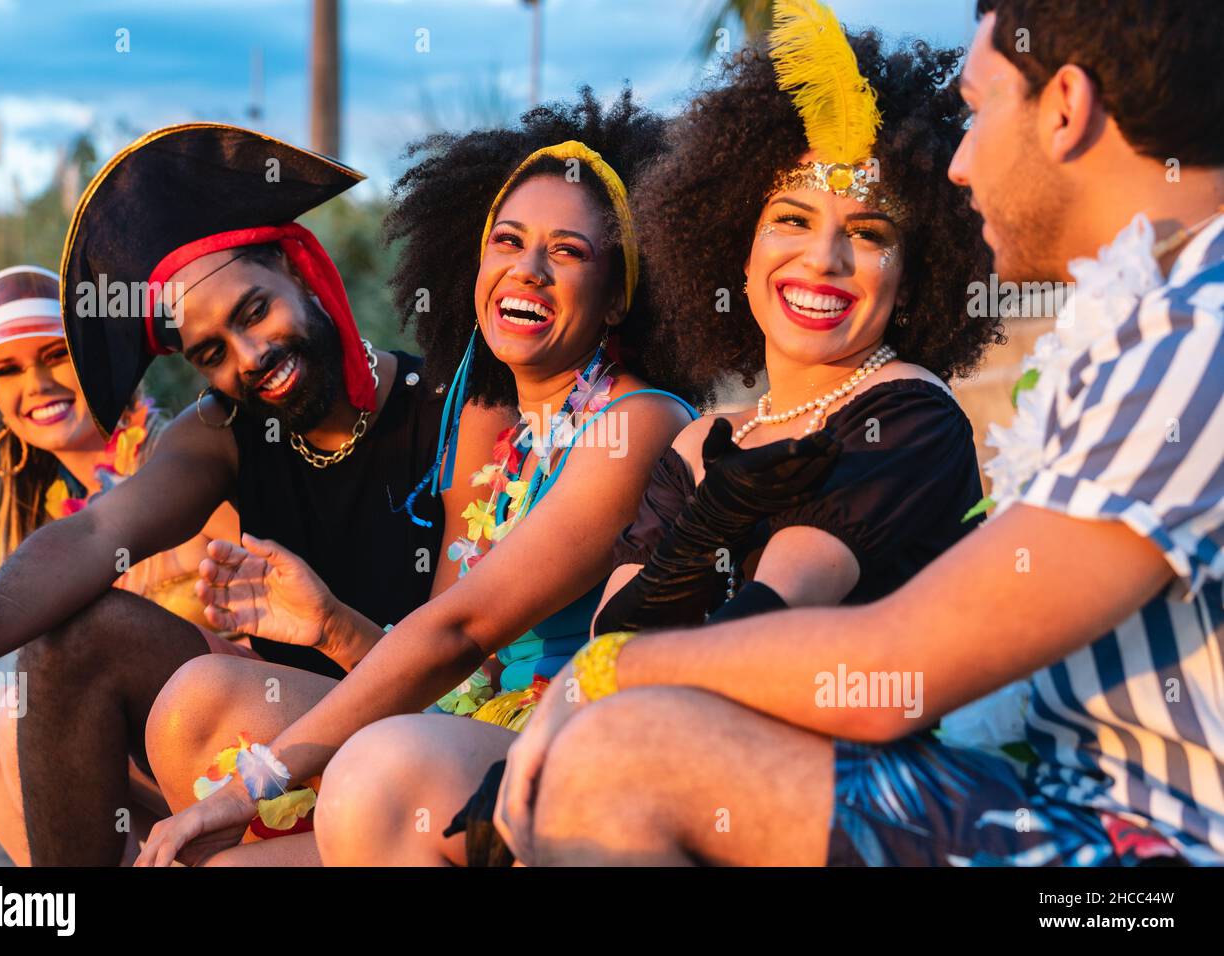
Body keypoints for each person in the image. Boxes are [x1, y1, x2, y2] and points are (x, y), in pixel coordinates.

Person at [499, 0, 1224, 867]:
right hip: (1061, 807)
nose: (956, 165)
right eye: (792, 221)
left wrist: (608, 672)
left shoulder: (1197, 337)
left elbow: (892, 672)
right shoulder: (1163, 324)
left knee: (623, 757)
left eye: (980, 106)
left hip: (1148, 860)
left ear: (1064, 107)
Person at [311, 2, 1004, 867]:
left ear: (918, 274)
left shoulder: (908, 408)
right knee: (385, 775)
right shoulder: (697, 442)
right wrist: (542, 747)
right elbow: (613, 637)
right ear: (733, 253)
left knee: (588, 773)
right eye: (791, 220)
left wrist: (578, 726)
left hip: (813, 782)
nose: (823, 260)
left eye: (867, 236)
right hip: (641, 741)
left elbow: (770, 616)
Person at [135, 89, 711, 867]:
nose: (527, 270)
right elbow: (459, 674)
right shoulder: (496, 430)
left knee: (367, 773)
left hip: (566, 747)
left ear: (617, 298)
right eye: (507, 241)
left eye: (568, 252)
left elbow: (462, 629)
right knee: (197, 703)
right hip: (470, 727)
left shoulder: (636, 421)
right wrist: (331, 624)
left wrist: (253, 786)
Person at [0, 124, 505, 865]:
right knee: (73, 637)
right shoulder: (227, 429)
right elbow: (94, 535)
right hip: (263, 728)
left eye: (254, 311)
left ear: (301, 270)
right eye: (210, 354)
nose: (251, 358)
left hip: (413, 735)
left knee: (200, 696)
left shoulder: (459, 412)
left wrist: (329, 625)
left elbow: (467, 673)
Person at [0, 265, 240, 865]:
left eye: (55, 354)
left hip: (230, 730)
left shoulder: (183, 457)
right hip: (133, 750)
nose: (37, 383)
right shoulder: (39, 513)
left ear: (94, 352)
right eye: (7, 369)